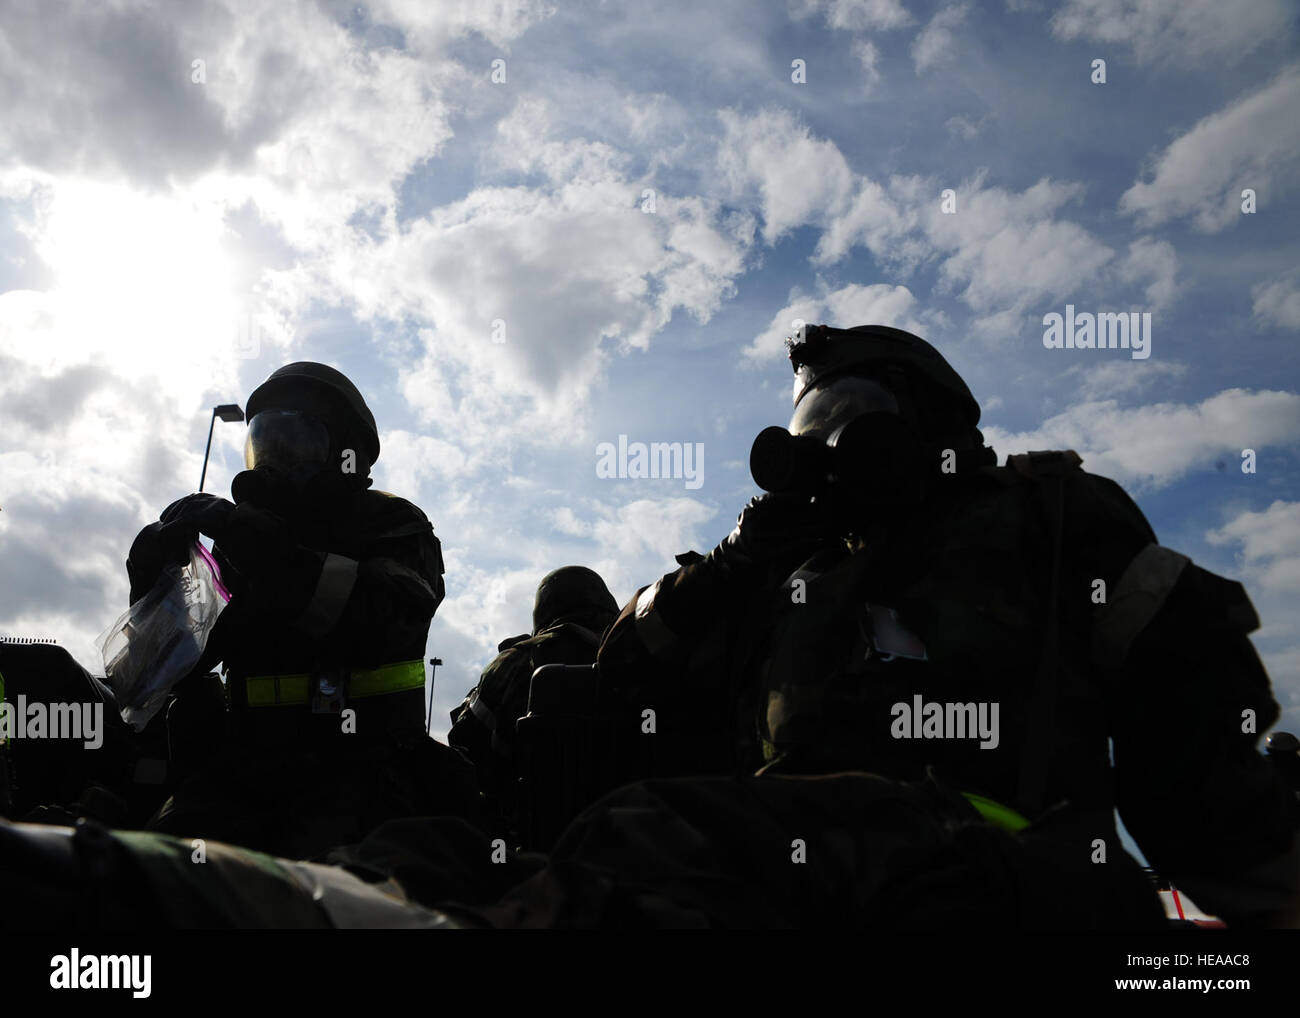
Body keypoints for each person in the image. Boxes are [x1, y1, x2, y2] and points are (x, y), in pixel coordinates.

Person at [546, 322, 1298, 928]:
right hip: (802, 874)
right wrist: (730, 563)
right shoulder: (792, 577)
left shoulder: (1047, 517)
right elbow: (624, 673)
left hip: (1017, 875)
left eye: (848, 417)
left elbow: (1198, 765)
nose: (824, 449)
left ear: (924, 418)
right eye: (809, 427)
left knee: (646, 836)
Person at [126, 362, 480, 858]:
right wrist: (154, 586)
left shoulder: (392, 523)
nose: (275, 458)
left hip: (368, 767)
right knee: (151, 871)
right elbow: (159, 674)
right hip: (246, 770)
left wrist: (265, 550)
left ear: (344, 450)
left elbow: (382, 620)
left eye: (294, 439)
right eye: (265, 442)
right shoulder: (243, 539)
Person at [449, 566, 619, 832]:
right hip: (636, 828)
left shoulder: (518, 660)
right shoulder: (635, 656)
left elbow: (466, 746)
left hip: (532, 834)